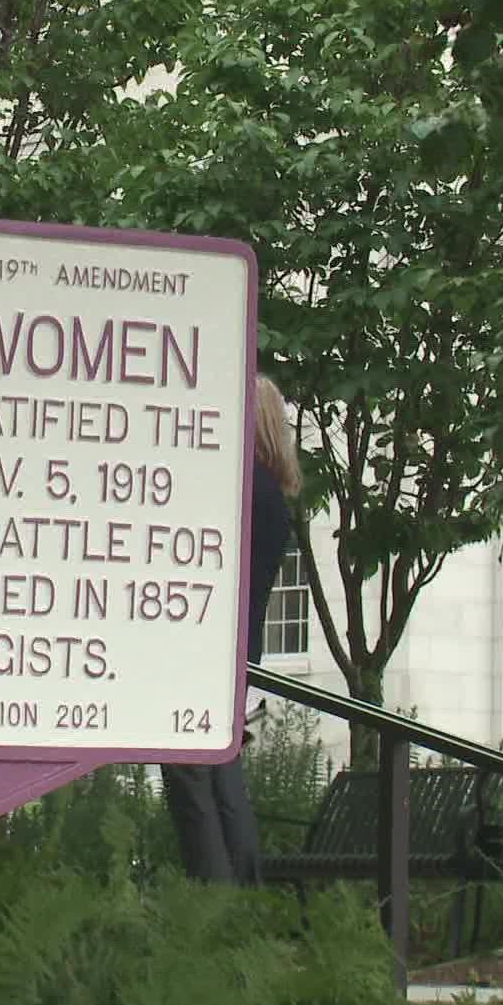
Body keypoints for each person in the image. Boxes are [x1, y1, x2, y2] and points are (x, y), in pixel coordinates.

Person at [160, 373, 302, 885]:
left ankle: (216, 901)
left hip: (207, 652)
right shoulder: (275, 499)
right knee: (222, 775)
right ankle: (242, 898)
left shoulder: (238, 489)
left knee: (192, 778)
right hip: (244, 655)